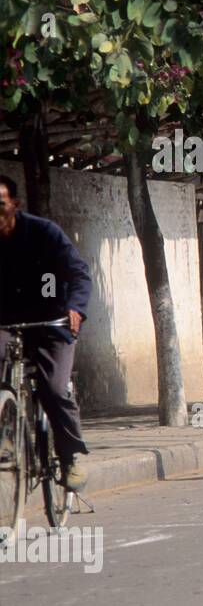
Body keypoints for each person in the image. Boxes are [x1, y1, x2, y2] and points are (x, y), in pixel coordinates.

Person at [0, 175, 92, 504]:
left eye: (0, 206)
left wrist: (75, 308)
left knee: (53, 388)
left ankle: (69, 456)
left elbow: (78, 272)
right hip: (6, 320)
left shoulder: (44, 233)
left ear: (15, 206)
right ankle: (7, 429)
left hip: (52, 319)